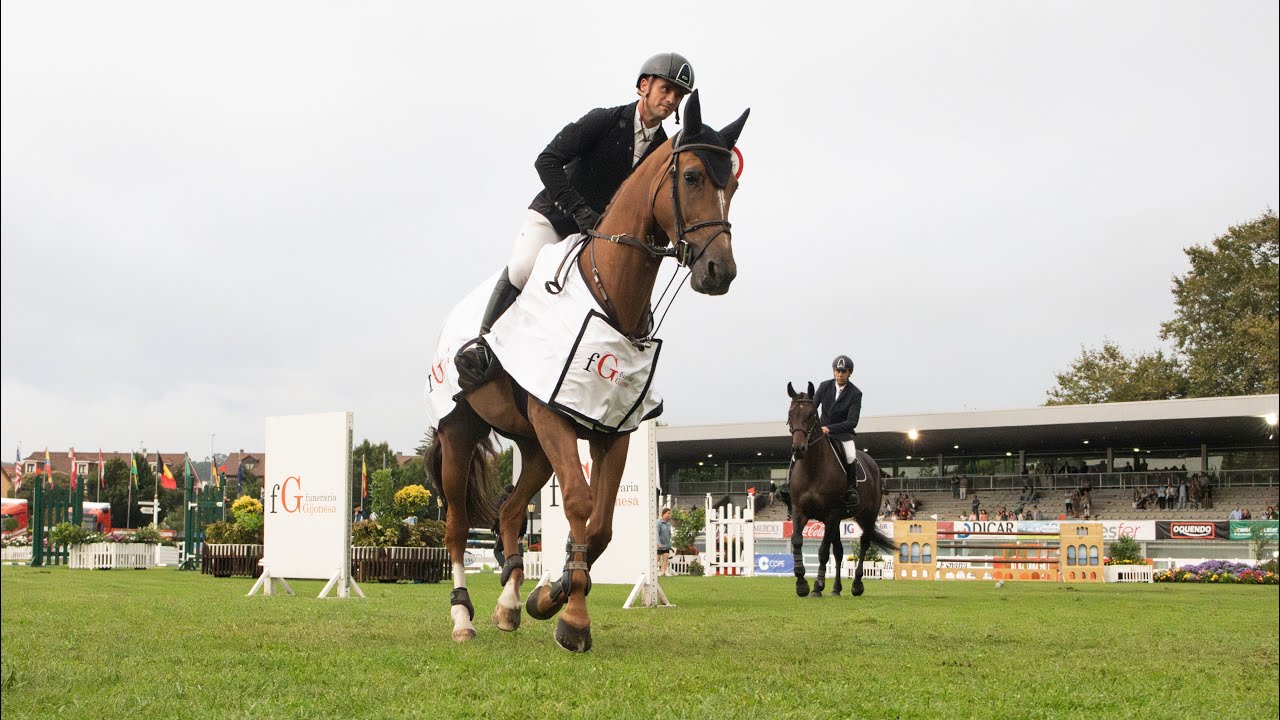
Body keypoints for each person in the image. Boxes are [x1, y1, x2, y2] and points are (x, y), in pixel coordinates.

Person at [456, 53, 696, 385]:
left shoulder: (661, 150)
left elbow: (655, 208)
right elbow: (547, 160)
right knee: (525, 266)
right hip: (555, 218)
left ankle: (621, 382)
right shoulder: (605, 120)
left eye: (678, 96)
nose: (671, 100)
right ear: (644, 85)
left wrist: (679, 241)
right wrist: (578, 209)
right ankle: (482, 346)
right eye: (667, 89)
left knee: (632, 306)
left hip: (600, 238)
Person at [813, 355, 864, 494]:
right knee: (799, 448)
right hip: (821, 433)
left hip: (842, 434)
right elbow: (813, 408)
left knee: (850, 455)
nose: (840, 374)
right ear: (834, 371)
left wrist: (829, 428)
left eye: (844, 371)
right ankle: (790, 484)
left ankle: (851, 488)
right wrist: (817, 427)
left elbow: (852, 422)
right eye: (837, 371)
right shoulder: (824, 386)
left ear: (850, 373)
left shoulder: (855, 393)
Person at [656, 508, 674, 576]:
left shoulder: (668, 523)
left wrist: (669, 544)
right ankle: (652, 572)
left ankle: (662, 572)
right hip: (659, 545)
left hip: (666, 545)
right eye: (668, 513)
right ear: (663, 514)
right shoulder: (658, 522)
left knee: (666, 558)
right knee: (656, 559)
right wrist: (658, 543)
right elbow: (656, 533)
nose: (669, 515)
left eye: (670, 513)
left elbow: (669, 534)